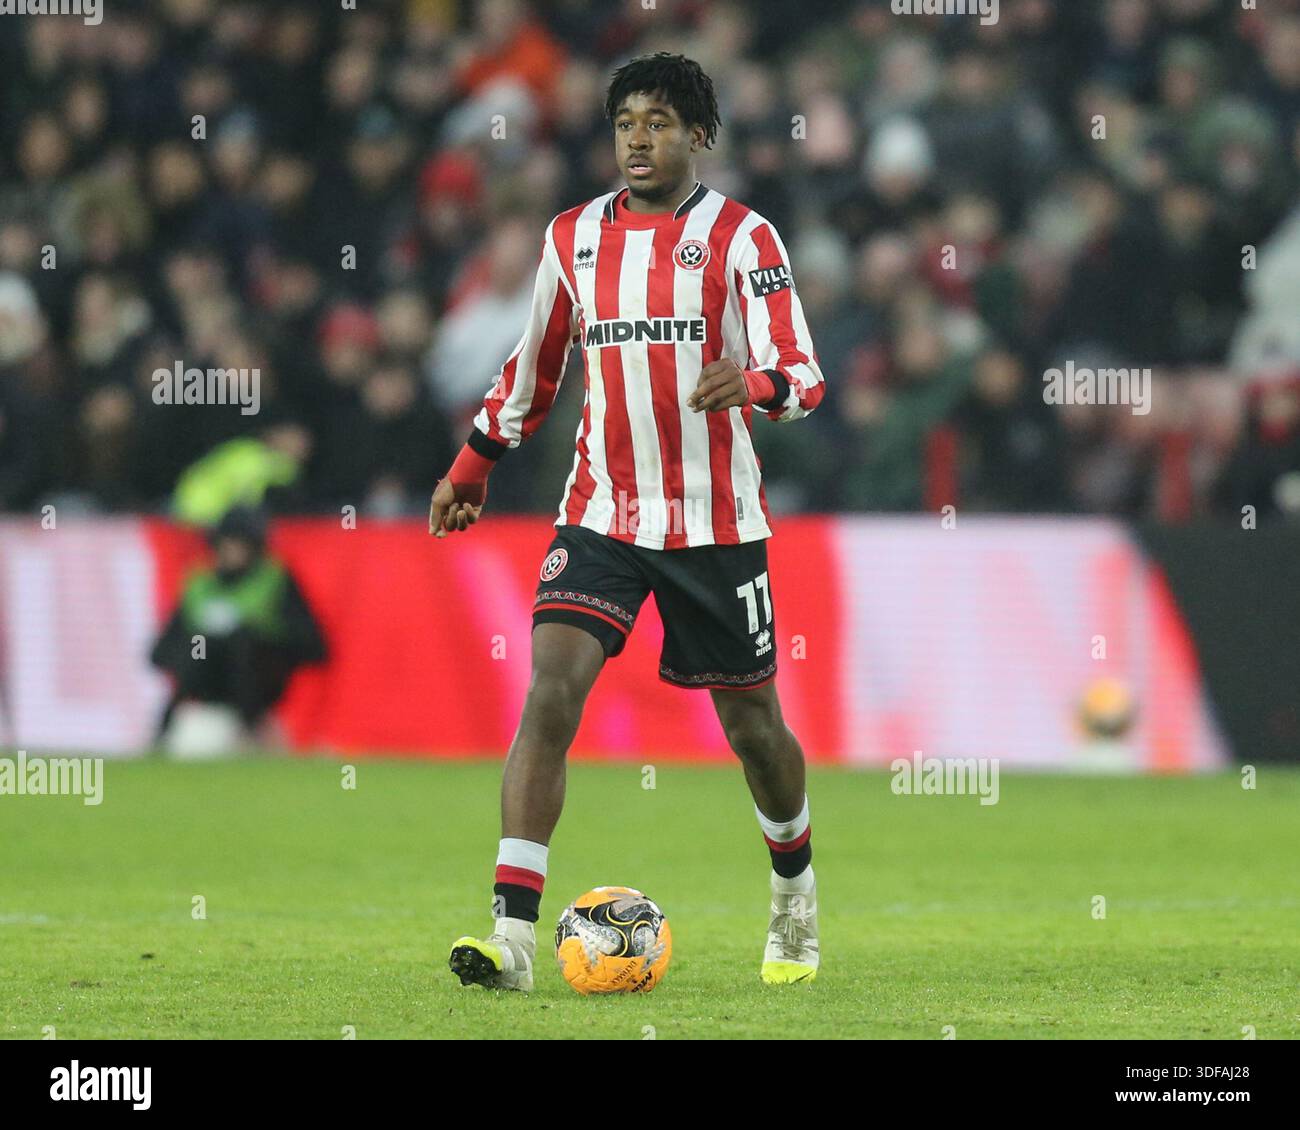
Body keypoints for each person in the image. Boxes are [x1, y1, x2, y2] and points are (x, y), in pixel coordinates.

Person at [429, 54, 826, 990]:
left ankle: (794, 900)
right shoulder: (571, 238)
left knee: (755, 730)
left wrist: (756, 383)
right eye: (625, 123)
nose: (639, 138)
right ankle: (514, 940)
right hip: (600, 512)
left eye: (659, 121)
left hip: (714, 524)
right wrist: (471, 466)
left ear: (700, 136)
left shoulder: (742, 237)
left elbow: (804, 372)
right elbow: (536, 367)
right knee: (549, 694)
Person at [151, 506, 327, 751]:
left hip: (259, 683)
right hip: (207, 690)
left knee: (241, 642)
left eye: (240, 545)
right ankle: (162, 732)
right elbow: (161, 652)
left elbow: (314, 647)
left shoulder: (273, 579)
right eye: (227, 544)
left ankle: (253, 728)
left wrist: (258, 638)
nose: (232, 552)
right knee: (200, 643)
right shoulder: (200, 583)